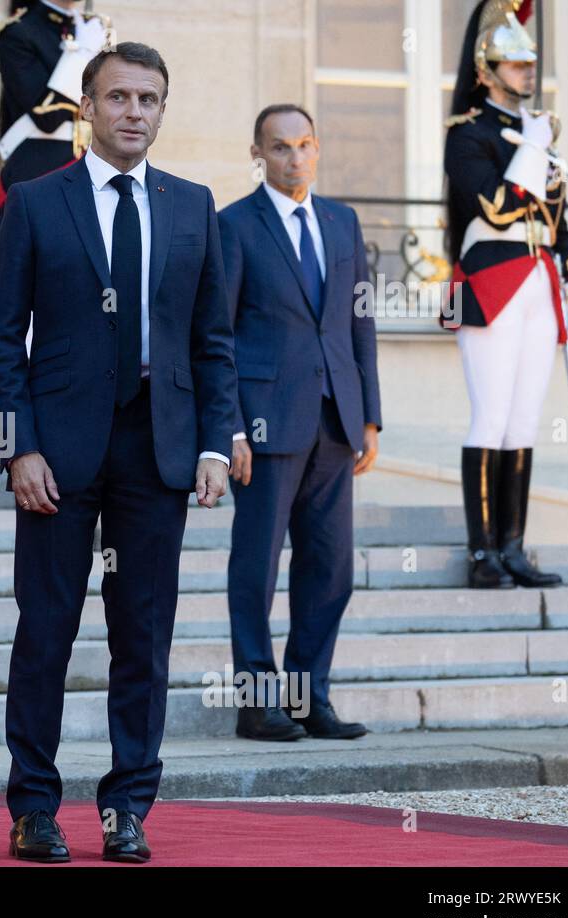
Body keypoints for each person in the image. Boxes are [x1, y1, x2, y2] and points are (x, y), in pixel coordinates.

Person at [0, 42, 238, 863]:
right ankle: (33, 809)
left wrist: (211, 441)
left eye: (150, 99)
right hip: (58, 455)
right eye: (120, 97)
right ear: (87, 108)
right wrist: (16, 449)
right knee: (47, 632)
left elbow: (213, 342)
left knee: (143, 636)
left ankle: (129, 805)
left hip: (157, 453)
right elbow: (3, 345)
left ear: (163, 110)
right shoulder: (33, 203)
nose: (135, 111)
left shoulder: (194, 206)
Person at [219, 105, 382, 743]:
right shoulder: (233, 225)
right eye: (281, 147)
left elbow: (358, 325)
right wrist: (229, 428)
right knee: (256, 565)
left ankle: (308, 695)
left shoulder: (342, 222)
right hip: (264, 428)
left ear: (318, 147)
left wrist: (370, 414)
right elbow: (218, 338)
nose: (296, 158)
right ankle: (257, 703)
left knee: (330, 567)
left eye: (306, 144)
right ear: (258, 153)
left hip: (336, 422)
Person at [442, 0, 568, 589]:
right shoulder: (468, 135)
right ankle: (482, 555)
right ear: (485, 71)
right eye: (513, 63)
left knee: (524, 420)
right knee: (492, 415)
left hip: (538, 282)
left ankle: (513, 547)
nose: (527, 72)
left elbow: (557, 221)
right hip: (490, 284)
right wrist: (531, 147)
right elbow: (496, 207)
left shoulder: (535, 136)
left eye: (529, 63)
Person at [0, 0, 110, 243]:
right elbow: (46, 116)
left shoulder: (91, 29)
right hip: (40, 166)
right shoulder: (19, 32)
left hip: (92, 163)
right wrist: (82, 55)